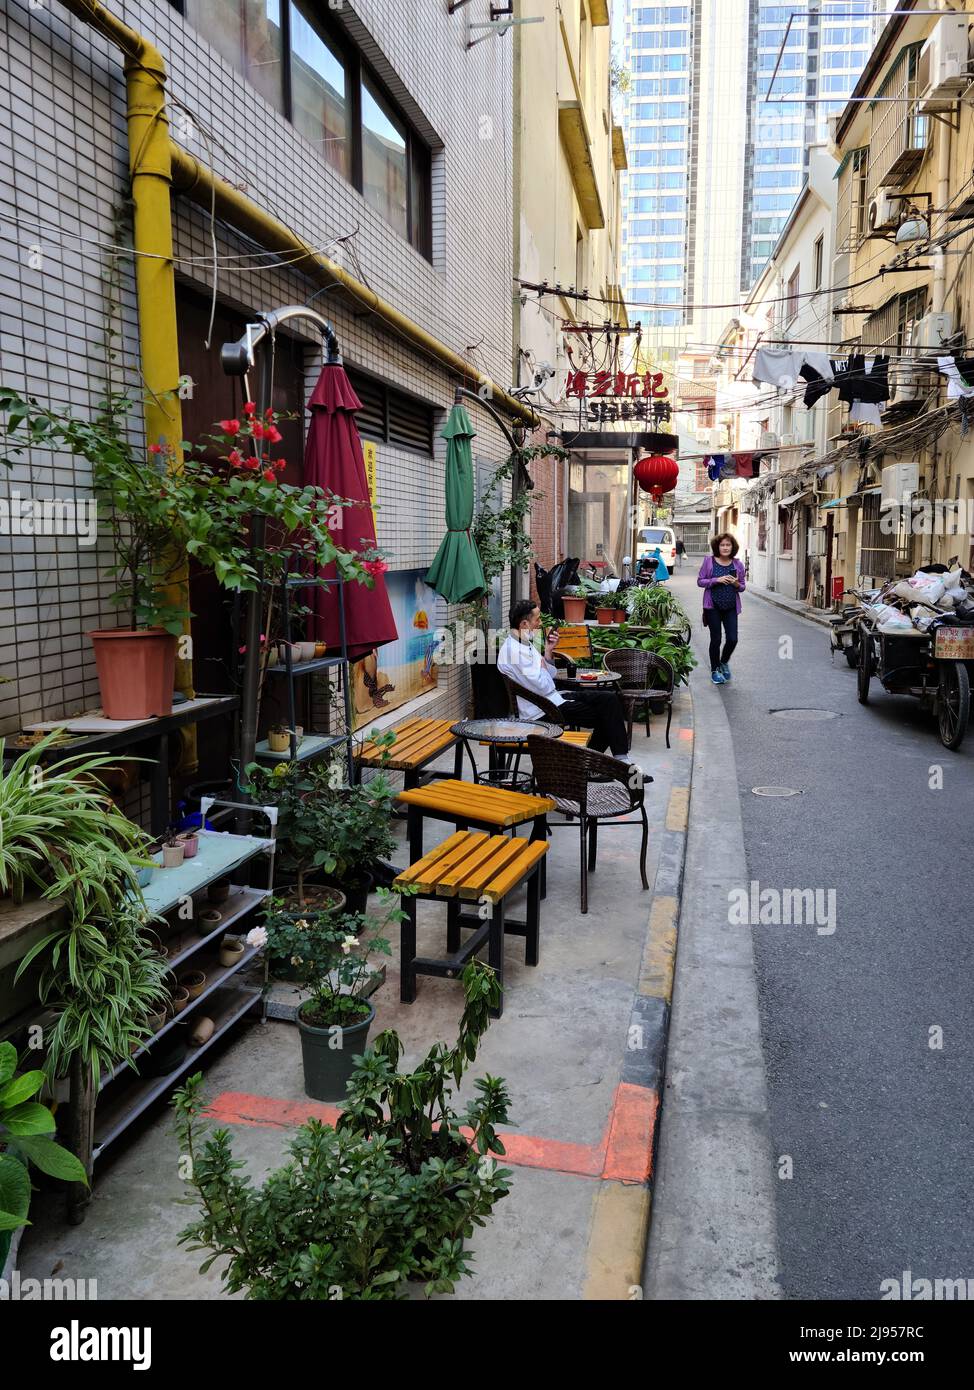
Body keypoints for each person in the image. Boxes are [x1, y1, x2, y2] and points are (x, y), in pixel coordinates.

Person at [497, 599, 638, 766]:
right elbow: (544, 685)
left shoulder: (523, 642)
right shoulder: (515, 652)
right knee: (607, 716)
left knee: (609, 699)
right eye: (537, 619)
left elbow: (549, 675)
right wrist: (543, 668)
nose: (540, 623)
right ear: (524, 623)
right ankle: (596, 765)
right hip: (542, 709)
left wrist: (548, 651)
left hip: (553, 697)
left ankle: (609, 761)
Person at [698, 533, 746, 686]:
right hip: (713, 606)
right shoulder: (709, 561)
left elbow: (743, 587)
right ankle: (715, 670)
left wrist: (736, 584)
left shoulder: (737, 565)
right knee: (716, 639)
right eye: (722, 545)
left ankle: (724, 662)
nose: (725, 548)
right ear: (717, 547)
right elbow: (700, 581)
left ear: (733, 547)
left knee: (733, 639)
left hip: (731, 607)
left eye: (728, 545)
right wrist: (716, 580)